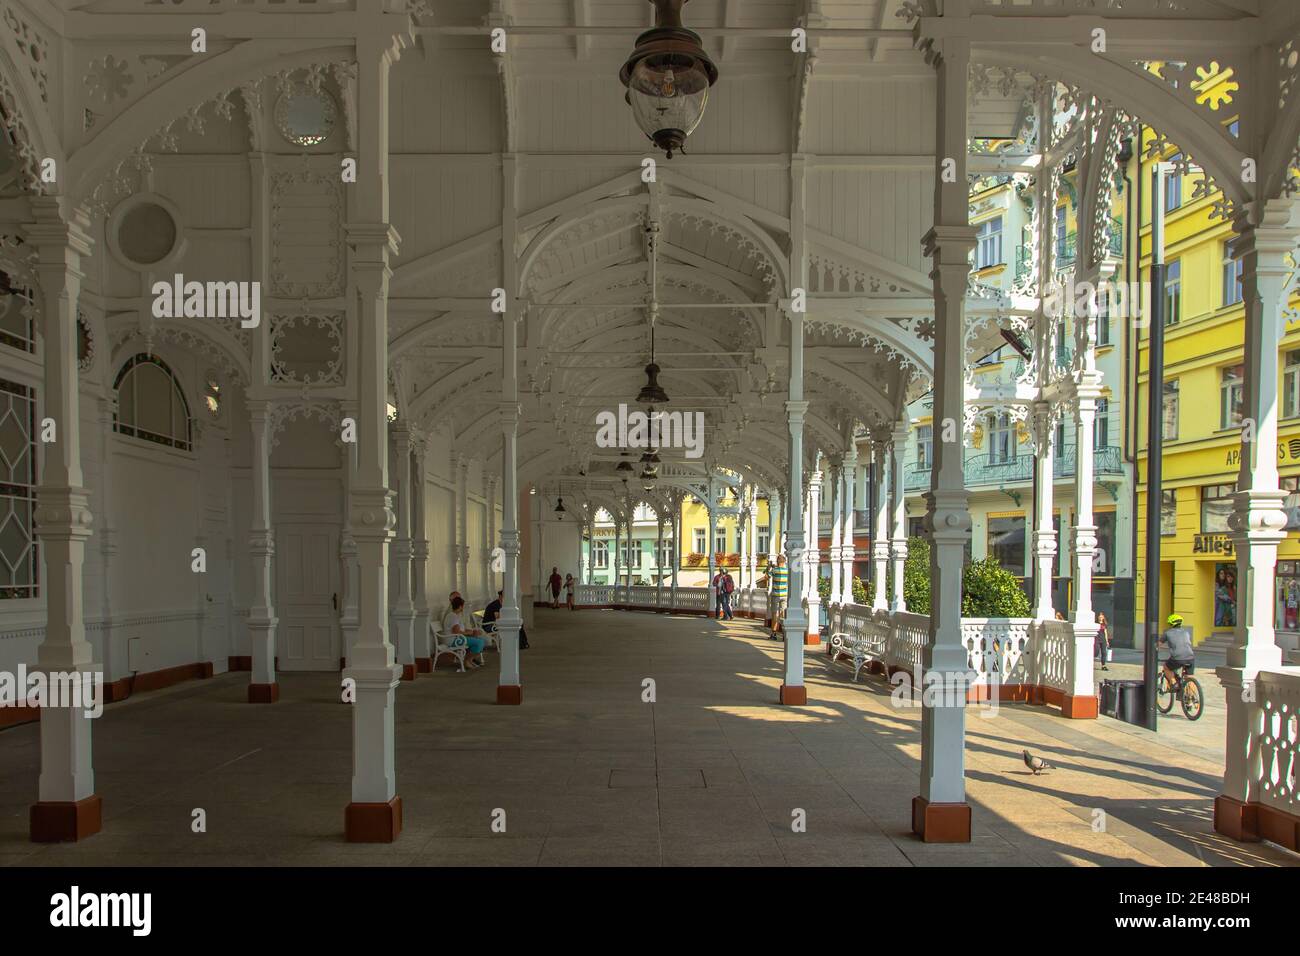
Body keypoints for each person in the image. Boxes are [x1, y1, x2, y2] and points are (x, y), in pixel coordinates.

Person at [443, 595, 487, 668]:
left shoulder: (455, 615)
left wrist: (473, 631)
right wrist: (471, 633)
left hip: (458, 639)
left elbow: (462, 629)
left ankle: (470, 660)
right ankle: (467, 660)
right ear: (460, 606)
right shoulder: (453, 616)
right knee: (479, 642)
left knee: (480, 640)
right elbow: (457, 632)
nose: (463, 608)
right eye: (462, 606)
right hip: (453, 640)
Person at [1158, 613, 1195, 687]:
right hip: (1191, 657)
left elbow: (1158, 644)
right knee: (1189, 677)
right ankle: (1192, 696)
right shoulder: (1186, 632)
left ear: (1170, 623)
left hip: (1177, 658)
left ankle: (1174, 683)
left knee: (1166, 667)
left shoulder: (1167, 633)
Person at [768, 555, 788, 640]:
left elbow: (767, 577)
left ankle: (774, 634)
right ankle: (784, 634)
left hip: (775, 595)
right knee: (783, 614)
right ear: (784, 562)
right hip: (784, 594)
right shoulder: (787, 571)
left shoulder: (774, 570)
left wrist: (769, 568)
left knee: (774, 614)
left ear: (777, 562)